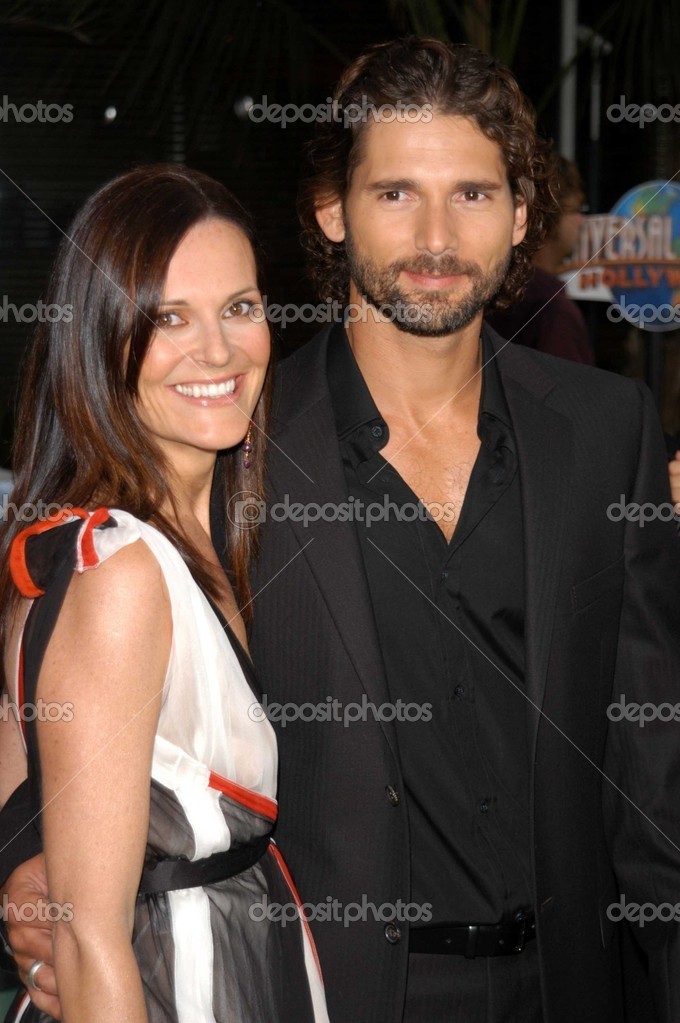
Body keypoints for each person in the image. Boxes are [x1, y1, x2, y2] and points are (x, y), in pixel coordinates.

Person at [4, 38, 680, 1023]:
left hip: (571, 988)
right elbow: (70, 674)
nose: (437, 235)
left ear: (521, 216)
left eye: (474, 195)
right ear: (333, 210)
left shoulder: (605, 431)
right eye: (396, 194)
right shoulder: (232, 442)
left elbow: (649, 756)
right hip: (327, 994)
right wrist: (31, 874)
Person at [0, 165, 328, 1023]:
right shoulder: (123, 569)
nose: (217, 351)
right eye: (168, 318)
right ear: (102, 337)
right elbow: (89, 937)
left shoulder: (209, 531)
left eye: (241, 307)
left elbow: (18, 745)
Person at [487, 155, 594, 364]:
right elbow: (570, 391)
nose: (583, 221)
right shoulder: (551, 309)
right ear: (551, 215)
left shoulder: (497, 286)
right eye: (577, 209)